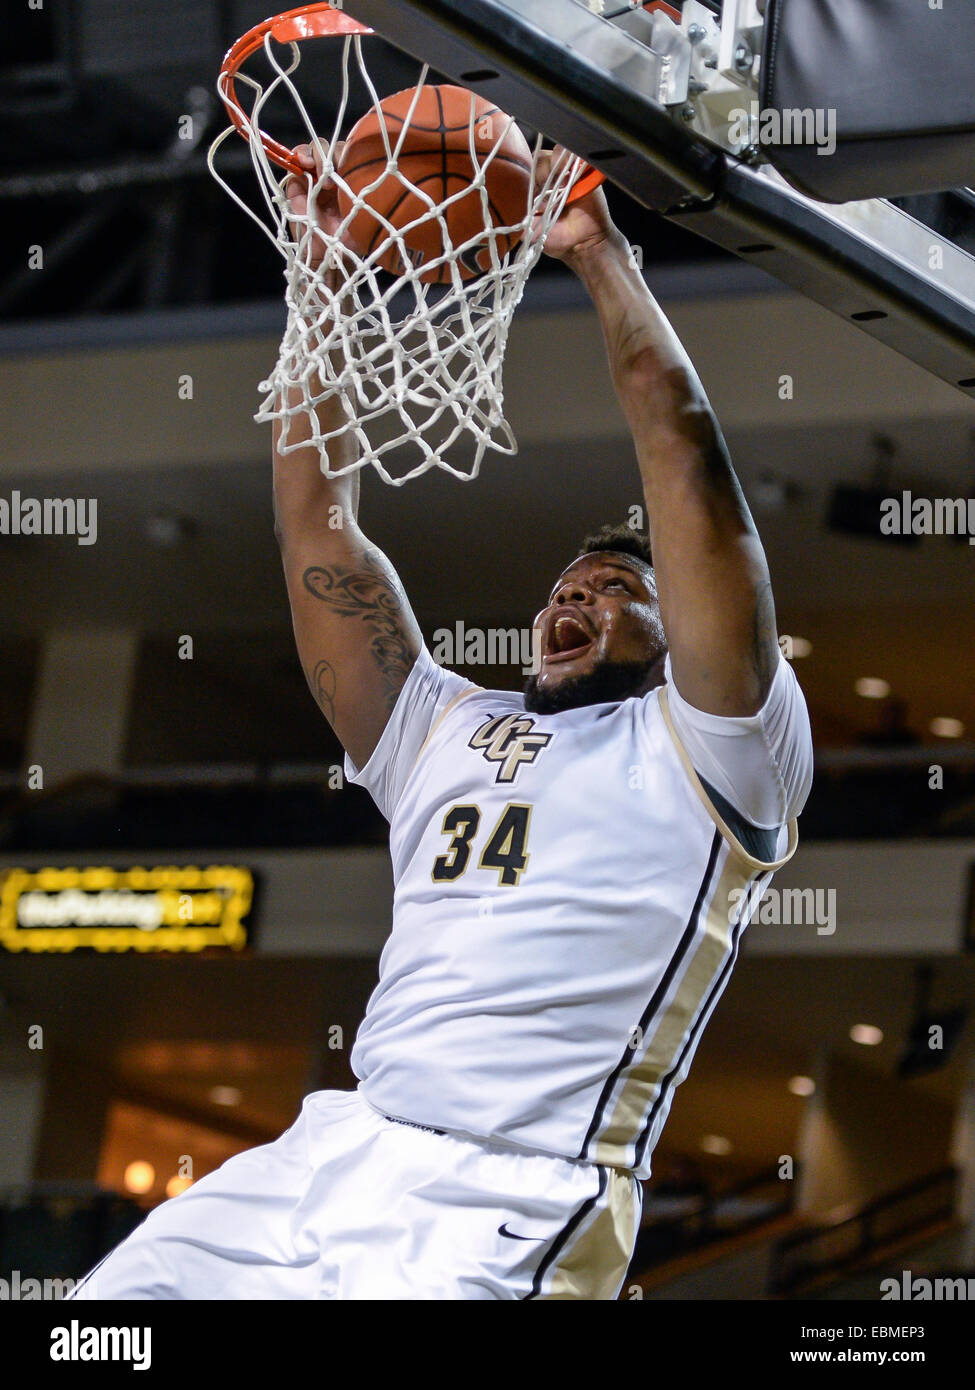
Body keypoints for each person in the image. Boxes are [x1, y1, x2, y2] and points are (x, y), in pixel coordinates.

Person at [70, 144, 813, 1301]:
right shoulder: (440, 726)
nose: (577, 592)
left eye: (619, 587)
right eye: (567, 583)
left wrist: (596, 253)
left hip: (508, 1194)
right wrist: (321, 273)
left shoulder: (719, 747)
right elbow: (319, 527)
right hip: (337, 1150)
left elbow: (684, 454)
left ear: (688, 630)